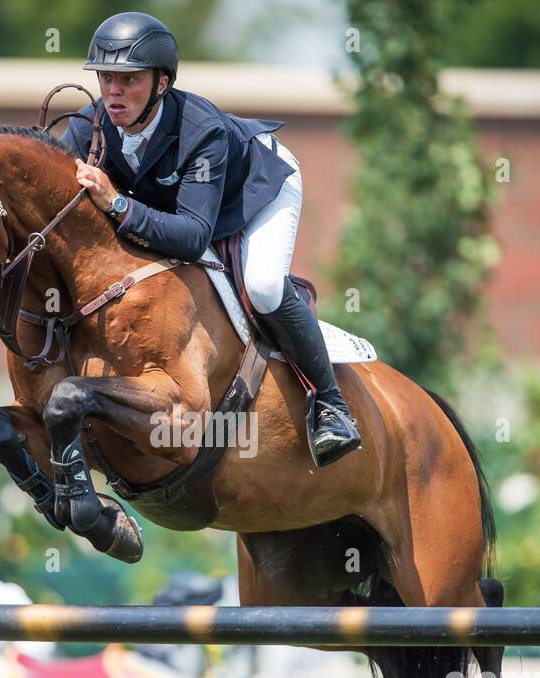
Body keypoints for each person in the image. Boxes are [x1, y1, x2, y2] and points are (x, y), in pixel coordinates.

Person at [61, 11, 361, 467]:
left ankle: (330, 407)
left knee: (261, 285)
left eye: (129, 79)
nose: (113, 91)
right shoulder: (87, 128)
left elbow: (190, 235)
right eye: (105, 77)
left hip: (258, 191)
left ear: (162, 83)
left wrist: (118, 205)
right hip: (189, 206)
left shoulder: (203, 132)